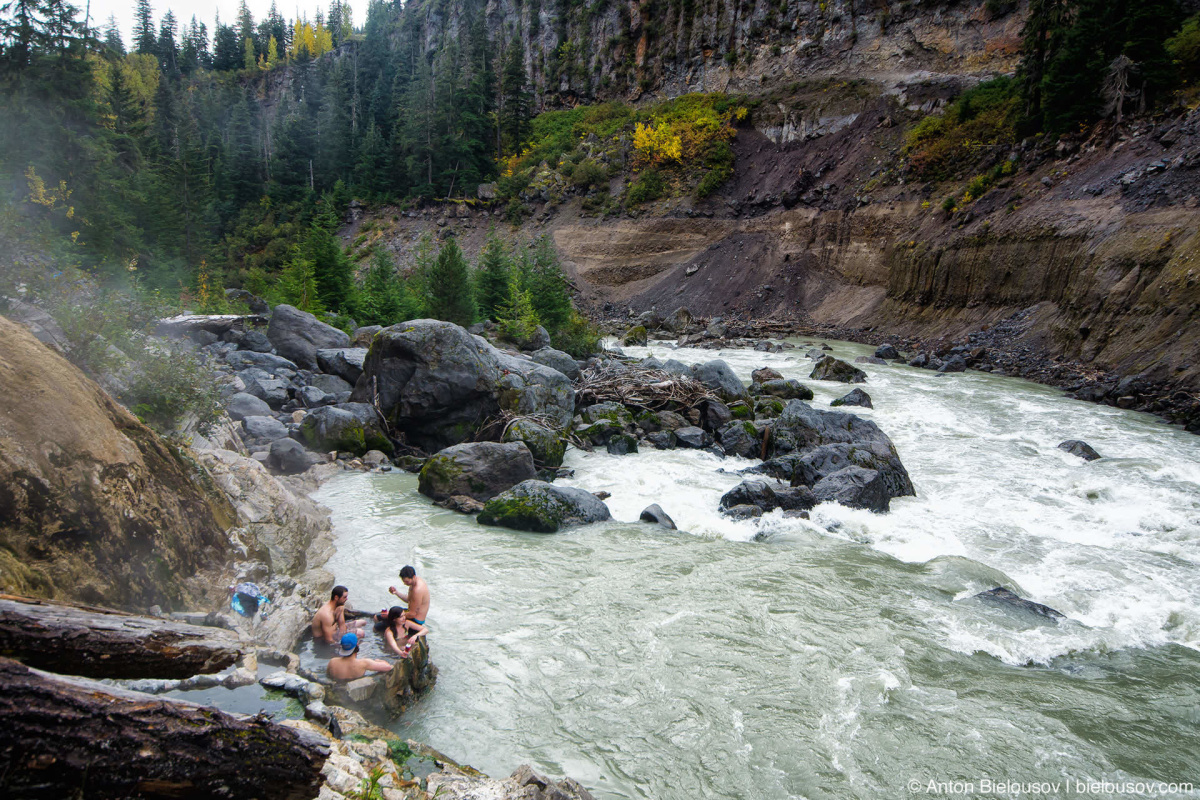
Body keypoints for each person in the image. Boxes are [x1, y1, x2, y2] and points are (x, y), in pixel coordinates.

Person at [326, 633, 392, 680]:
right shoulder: (363, 663)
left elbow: (328, 676)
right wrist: (378, 660)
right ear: (357, 646)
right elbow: (388, 667)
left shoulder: (332, 662)